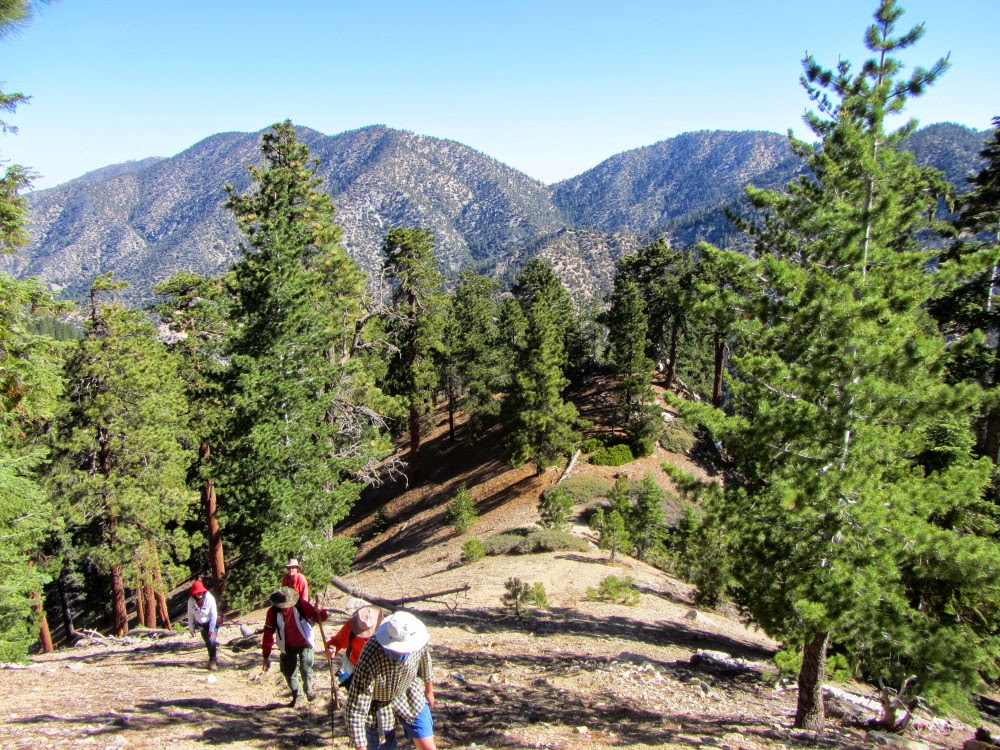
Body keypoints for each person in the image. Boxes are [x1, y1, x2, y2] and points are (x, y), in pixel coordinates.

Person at [346, 611, 437, 750]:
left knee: (428, 747)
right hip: (379, 705)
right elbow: (356, 705)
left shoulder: (418, 638)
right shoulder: (371, 654)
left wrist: (429, 690)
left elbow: (426, 662)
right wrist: (360, 746)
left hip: (410, 694)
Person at [262, 586, 328, 707]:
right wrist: (266, 655)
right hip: (286, 645)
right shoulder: (272, 612)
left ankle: (308, 690)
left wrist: (320, 611)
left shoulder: (300, 605)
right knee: (288, 672)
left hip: (305, 641)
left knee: (306, 667)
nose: (285, 608)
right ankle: (297, 695)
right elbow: (268, 633)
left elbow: (318, 617)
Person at [324, 605, 383, 687]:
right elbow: (337, 642)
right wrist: (331, 649)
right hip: (352, 665)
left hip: (374, 669)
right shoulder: (351, 626)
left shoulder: (384, 633)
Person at [186, 580, 219, 670]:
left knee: (211, 640)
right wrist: (191, 628)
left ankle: (213, 662)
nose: (199, 594)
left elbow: (214, 614)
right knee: (208, 642)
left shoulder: (210, 598)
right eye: (197, 593)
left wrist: (211, 629)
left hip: (211, 622)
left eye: (200, 592)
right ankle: (212, 657)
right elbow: (190, 614)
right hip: (200, 624)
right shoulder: (191, 601)